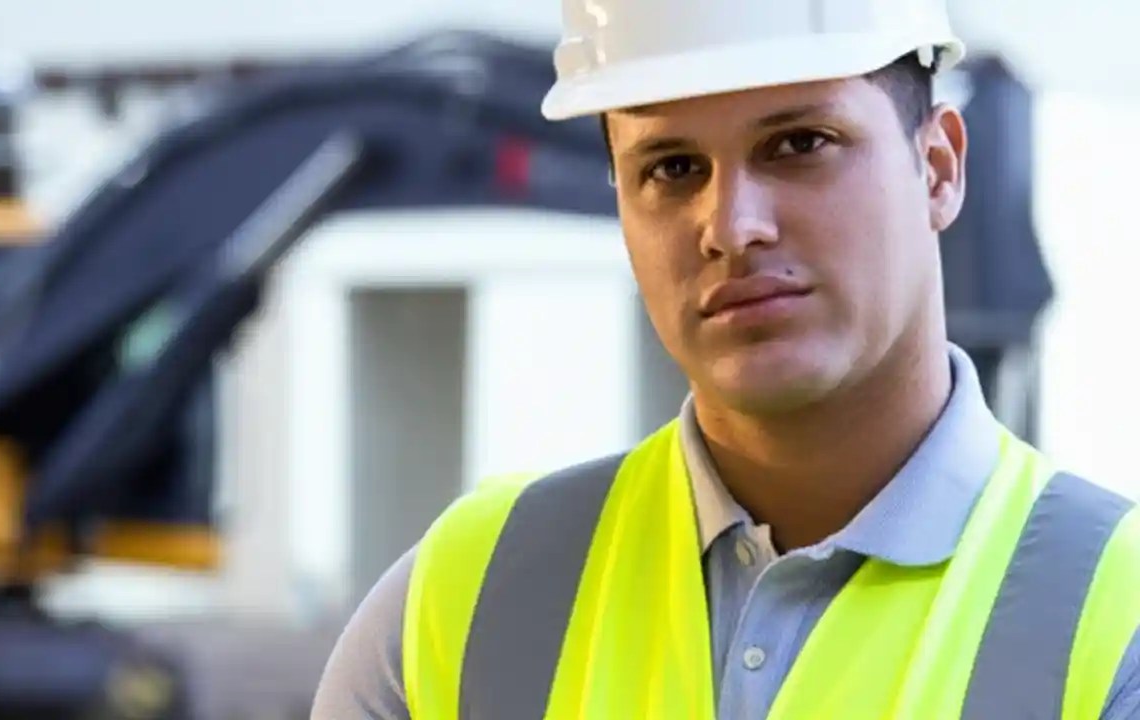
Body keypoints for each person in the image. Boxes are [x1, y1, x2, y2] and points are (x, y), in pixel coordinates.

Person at [313, 1, 1140, 717]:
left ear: (937, 167)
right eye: (672, 168)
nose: (731, 225)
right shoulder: (463, 603)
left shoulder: (1117, 623)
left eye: (799, 143)